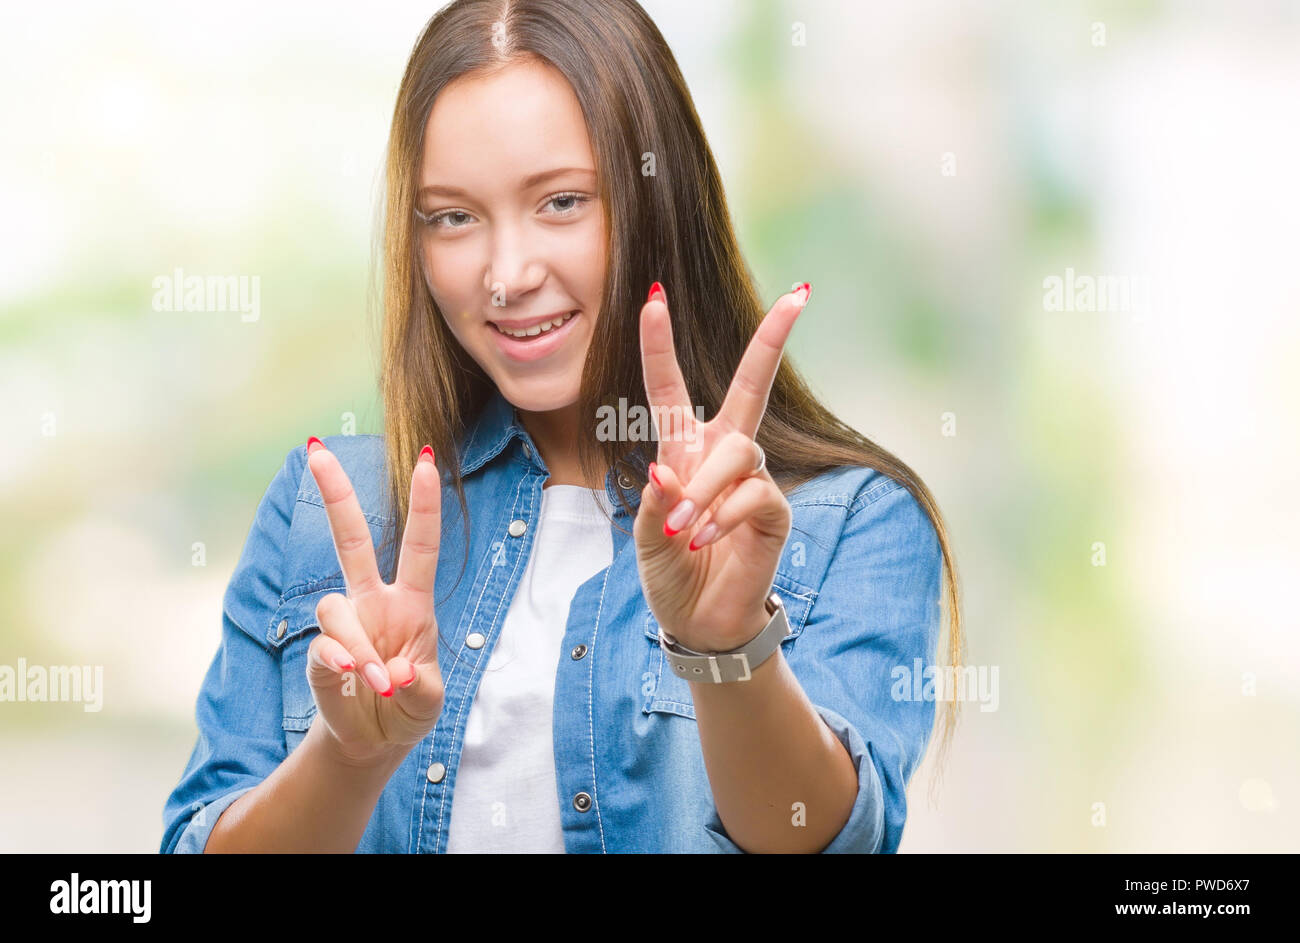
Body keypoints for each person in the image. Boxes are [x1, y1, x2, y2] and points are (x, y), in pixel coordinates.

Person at [161, 0, 962, 854]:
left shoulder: (851, 521)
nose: (506, 276)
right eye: (453, 217)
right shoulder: (326, 511)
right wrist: (352, 756)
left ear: (661, 199)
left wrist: (728, 648)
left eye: (562, 202)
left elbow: (821, 838)